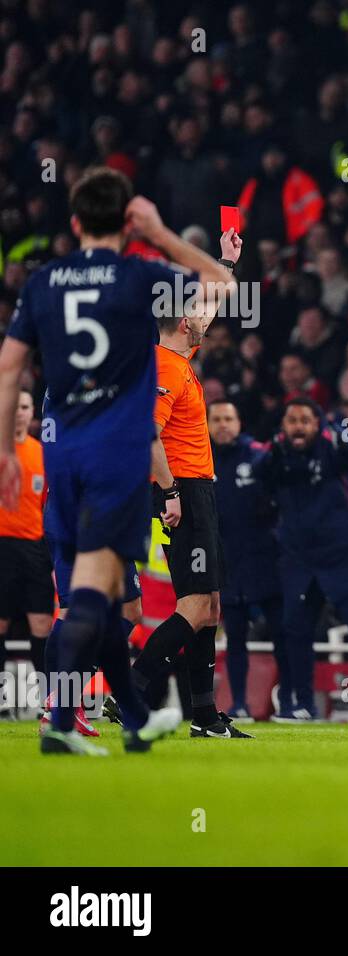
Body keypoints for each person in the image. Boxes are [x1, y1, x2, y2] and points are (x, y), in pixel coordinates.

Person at [0, 168, 219, 754]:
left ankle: (133, 717)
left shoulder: (44, 280)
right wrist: (162, 233)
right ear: (127, 223)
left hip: (61, 458)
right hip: (113, 457)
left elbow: (8, 365)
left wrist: (4, 451)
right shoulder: (138, 274)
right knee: (96, 596)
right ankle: (63, 721)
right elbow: (217, 279)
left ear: (74, 223)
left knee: (107, 595)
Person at [124, 226, 252, 739]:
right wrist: (172, 493)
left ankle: (204, 715)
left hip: (197, 489)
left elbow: (208, 302)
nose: (206, 323)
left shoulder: (177, 359)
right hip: (183, 491)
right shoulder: (165, 367)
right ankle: (128, 690)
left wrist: (226, 263)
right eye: (197, 319)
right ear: (182, 323)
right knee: (195, 605)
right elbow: (147, 434)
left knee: (209, 606)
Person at [254, 397, 348, 722]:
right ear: (283, 427)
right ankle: (303, 704)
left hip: (347, 553)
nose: (298, 426)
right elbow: (259, 473)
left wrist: (336, 433)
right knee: (295, 630)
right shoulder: (278, 456)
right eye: (292, 420)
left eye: (306, 420)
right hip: (301, 557)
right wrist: (275, 448)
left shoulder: (334, 450)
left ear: (318, 425)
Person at [209, 400, 286, 721]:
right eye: (217, 419)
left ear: (239, 422)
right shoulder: (202, 457)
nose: (223, 425)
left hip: (265, 562)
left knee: (283, 635)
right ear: (208, 424)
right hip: (228, 564)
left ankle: (292, 701)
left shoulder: (258, 456)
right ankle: (238, 703)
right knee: (235, 639)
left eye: (229, 418)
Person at [0, 391, 54, 716]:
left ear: (32, 411)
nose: (19, 413)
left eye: (24, 407)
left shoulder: (41, 454)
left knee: (42, 624)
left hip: (34, 550)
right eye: (14, 406)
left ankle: (50, 703)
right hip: (1, 546)